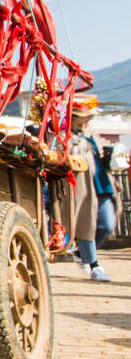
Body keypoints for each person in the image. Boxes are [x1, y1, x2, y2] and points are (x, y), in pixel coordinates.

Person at [67, 98, 113, 281]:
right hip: (81, 185)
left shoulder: (90, 136)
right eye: (83, 117)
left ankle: (82, 253)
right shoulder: (66, 136)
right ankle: (94, 264)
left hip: (101, 184)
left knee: (107, 223)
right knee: (85, 222)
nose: (87, 120)